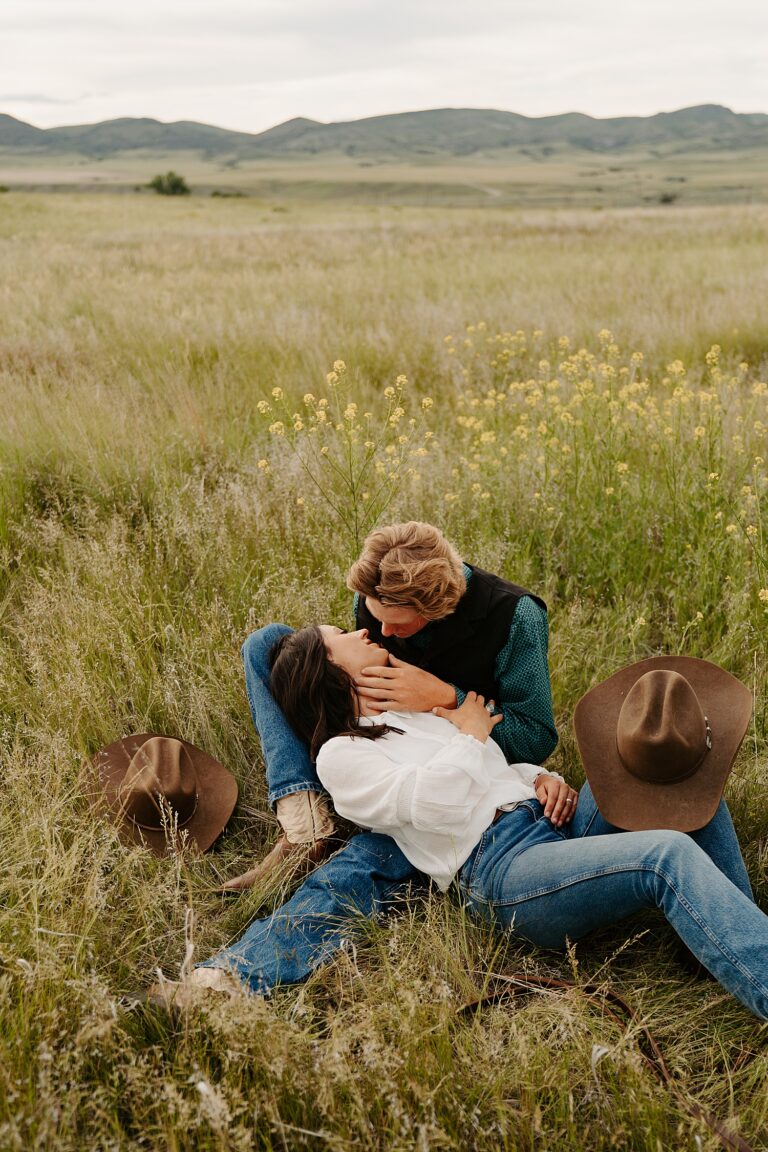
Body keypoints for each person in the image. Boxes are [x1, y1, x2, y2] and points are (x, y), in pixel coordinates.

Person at [168, 637, 768, 1021]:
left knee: (671, 784)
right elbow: (435, 804)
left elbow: (496, 772)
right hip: (503, 871)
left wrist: (543, 779)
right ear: (330, 671)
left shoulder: (410, 720)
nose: (360, 633)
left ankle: (724, 939)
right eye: (343, 639)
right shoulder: (340, 759)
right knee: (663, 854)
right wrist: (470, 732)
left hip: (544, 822)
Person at [223, 520, 558, 890]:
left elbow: (535, 737)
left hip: (463, 765)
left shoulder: (516, 617)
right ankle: (305, 823)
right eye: (374, 616)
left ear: (437, 609)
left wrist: (445, 697)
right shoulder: (378, 603)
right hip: (377, 749)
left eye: (397, 624)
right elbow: (353, 690)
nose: (380, 633)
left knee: (360, 871)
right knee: (265, 644)